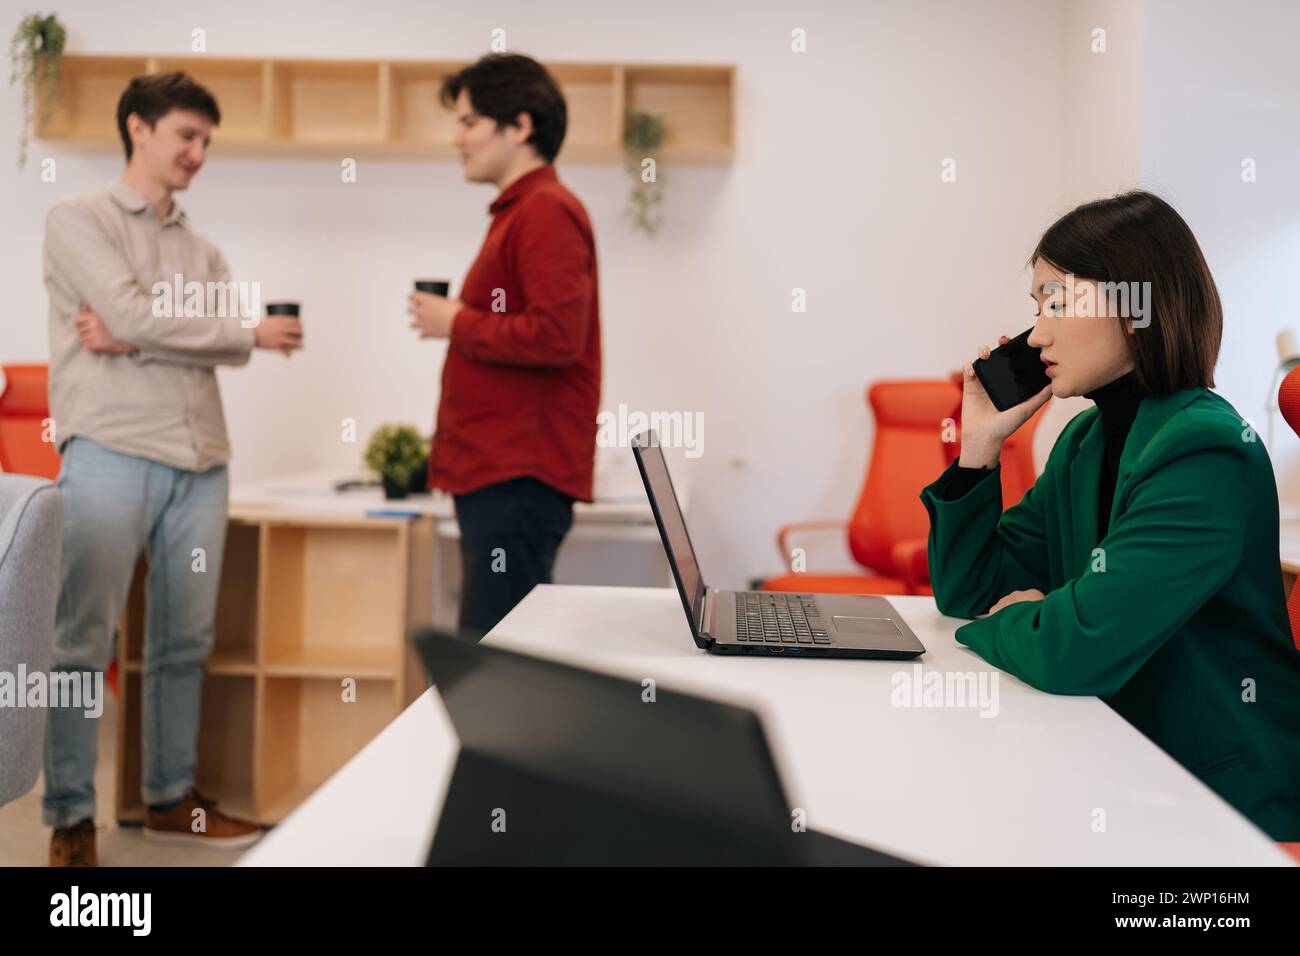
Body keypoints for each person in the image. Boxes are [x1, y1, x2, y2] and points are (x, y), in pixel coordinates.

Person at [922, 191, 1300, 841]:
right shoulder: (1083, 442)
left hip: (1220, 799)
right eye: (1037, 308)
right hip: (1118, 758)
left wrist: (1014, 619)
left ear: (1136, 307)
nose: (1036, 334)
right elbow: (968, 591)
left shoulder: (1205, 450)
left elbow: (1075, 647)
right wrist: (981, 446)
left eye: (1058, 303)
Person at [42, 72, 303, 866]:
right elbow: (145, 317)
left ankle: (170, 803)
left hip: (201, 459)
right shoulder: (75, 220)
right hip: (111, 449)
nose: (197, 153)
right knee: (82, 641)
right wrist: (233, 333)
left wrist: (144, 332)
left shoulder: (204, 249)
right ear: (139, 129)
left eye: (206, 142)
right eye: (186, 136)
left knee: (185, 642)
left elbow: (137, 321)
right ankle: (71, 818)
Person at [407, 53, 601, 635]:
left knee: (496, 659)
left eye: (469, 123)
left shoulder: (544, 211)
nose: (456, 138)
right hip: (500, 473)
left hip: (514, 476)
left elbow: (558, 335)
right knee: (502, 654)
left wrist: (456, 322)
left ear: (519, 127)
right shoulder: (525, 212)